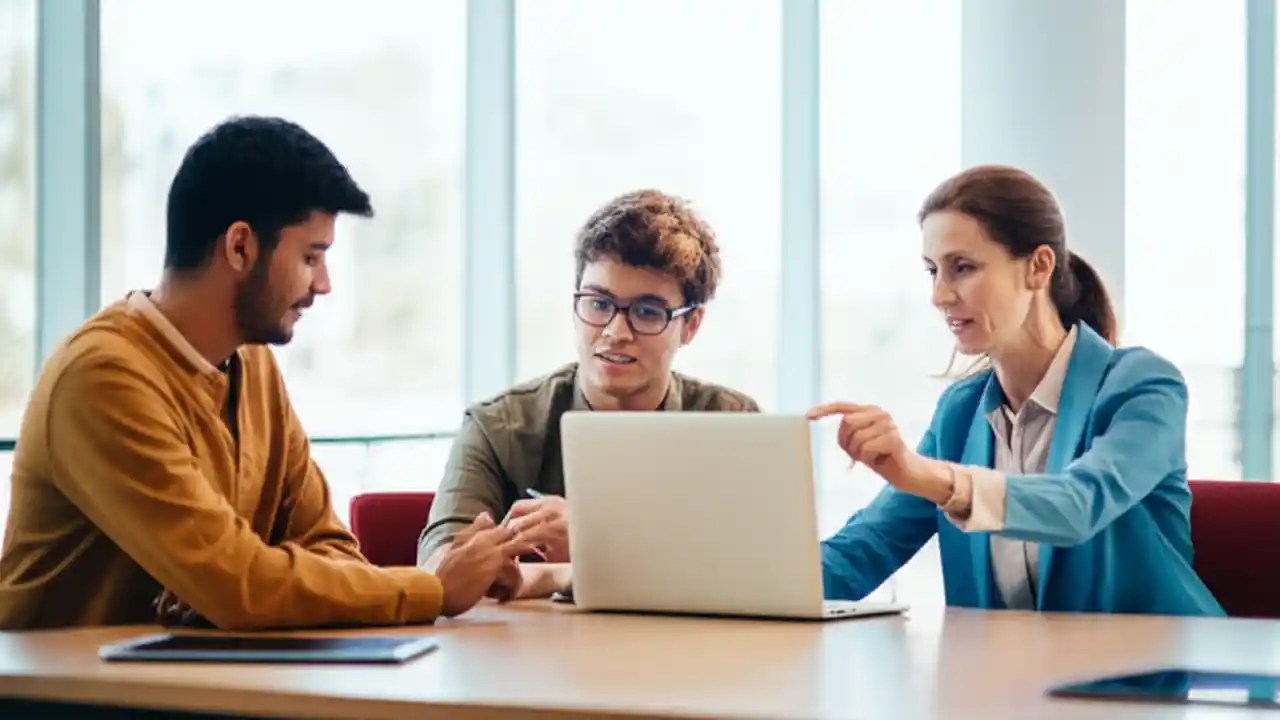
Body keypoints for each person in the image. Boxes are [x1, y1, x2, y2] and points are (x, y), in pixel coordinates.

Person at [0, 116, 533, 630]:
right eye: (311, 256)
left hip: (202, 688)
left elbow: (328, 546)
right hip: (67, 700)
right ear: (240, 246)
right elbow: (241, 584)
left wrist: (245, 583)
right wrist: (433, 588)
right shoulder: (103, 378)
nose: (323, 283)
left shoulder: (253, 364)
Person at [811, 165, 1224, 616]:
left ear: (1038, 267)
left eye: (962, 268)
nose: (939, 295)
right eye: (933, 271)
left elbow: (1078, 504)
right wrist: (741, 579)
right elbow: (864, 550)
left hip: (1154, 678)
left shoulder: (1142, 386)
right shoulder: (961, 411)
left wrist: (927, 476)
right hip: (1011, 678)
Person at [418, 189, 758, 599]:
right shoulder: (500, 426)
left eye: (647, 312)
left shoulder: (734, 424)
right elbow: (439, 567)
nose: (615, 332)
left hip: (697, 656)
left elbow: (760, 572)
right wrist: (565, 573)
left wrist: (593, 544)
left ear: (690, 326)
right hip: (534, 658)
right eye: (598, 303)